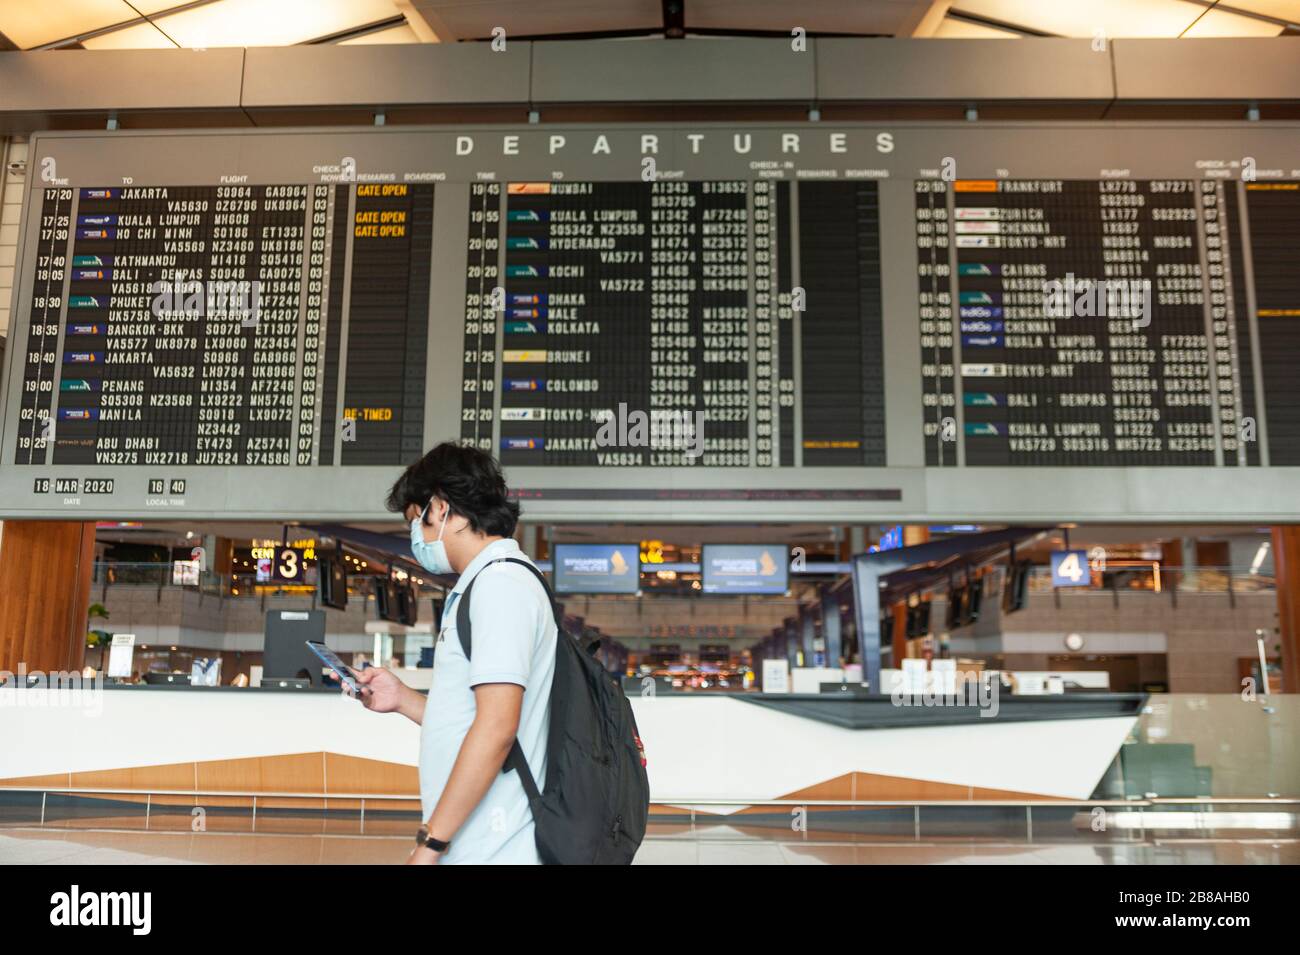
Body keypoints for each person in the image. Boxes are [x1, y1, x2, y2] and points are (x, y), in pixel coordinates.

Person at [341, 442, 556, 865]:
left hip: (498, 846)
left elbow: (497, 729)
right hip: (484, 843)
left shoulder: (500, 586)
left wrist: (430, 843)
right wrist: (403, 699)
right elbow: (476, 718)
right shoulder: (488, 583)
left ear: (439, 508)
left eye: (414, 522)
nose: (415, 539)